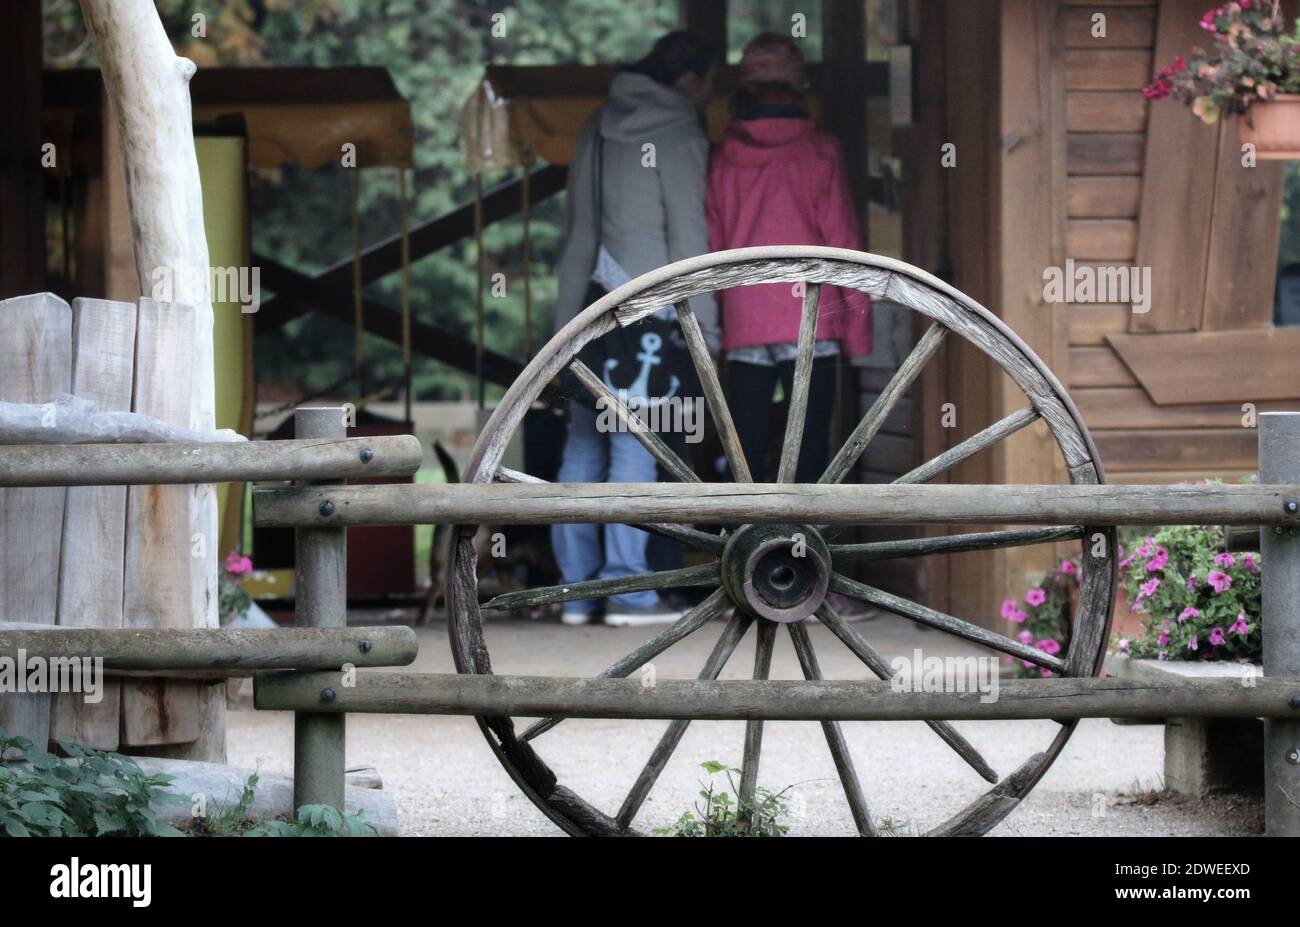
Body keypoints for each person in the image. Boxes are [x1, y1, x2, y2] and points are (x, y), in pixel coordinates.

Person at [550, 31, 719, 627]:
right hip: (653, 310)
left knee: (582, 445)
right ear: (692, 81)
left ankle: (575, 592)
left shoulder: (597, 123)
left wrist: (560, 330)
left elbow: (579, 231)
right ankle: (627, 593)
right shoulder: (680, 132)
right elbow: (690, 243)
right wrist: (710, 333)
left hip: (594, 305)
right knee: (634, 448)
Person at [706, 33, 871, 483]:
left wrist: (714, 332)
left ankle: (746, 541)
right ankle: (802, 544)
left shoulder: (723, 159)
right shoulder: (822, 151)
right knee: (810, 442)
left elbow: (714, 251)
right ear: (798, 87)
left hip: (745, 318)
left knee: (746, 444)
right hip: (810, 317)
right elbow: (844, 243)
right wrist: (857, 331)